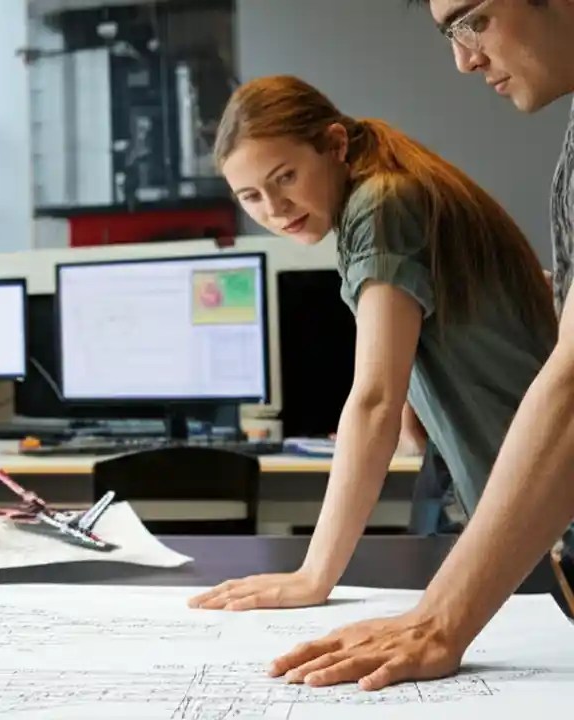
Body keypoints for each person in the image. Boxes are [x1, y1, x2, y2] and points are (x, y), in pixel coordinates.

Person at [242, 0, 574, 690]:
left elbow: (373, 400)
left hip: (545, 513)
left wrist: (318, 575)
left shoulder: (382, 202)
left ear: (334, 146)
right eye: (251, 197)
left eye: (474, 19)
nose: (464, 58)